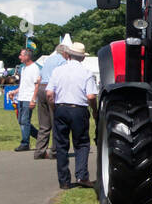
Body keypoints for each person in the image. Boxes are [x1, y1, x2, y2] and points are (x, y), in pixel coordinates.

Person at [46, 42, 98, 190]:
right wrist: (94, 110)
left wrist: (54, 108)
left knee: (61, 145)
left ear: (68, 55)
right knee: (81, 143)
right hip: (78, 109)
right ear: (82, 58)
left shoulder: (57, 71)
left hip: (61, 107)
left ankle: (64, 181)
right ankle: (82, 175)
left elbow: (49, 93)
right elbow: (91, 96)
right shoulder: (87, 73)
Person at [35, 44, 67, 161]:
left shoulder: (48, 60)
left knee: (43, 124)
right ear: (64, 53)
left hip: (41, 88)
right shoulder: (63, 61)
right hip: (51, 90)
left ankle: (39, 151)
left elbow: (40, 75)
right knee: (56, 122)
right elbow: (62, 78)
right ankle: (55, 151)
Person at [6, 49, 41, 151]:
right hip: (21, 97)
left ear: (27, 57)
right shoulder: (24, 68)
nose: (19, 57)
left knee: (25, 121)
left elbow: (37, 85)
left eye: (21, 55)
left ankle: (25, 143)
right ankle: (40, 137)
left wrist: (33, 99)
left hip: (28, 98)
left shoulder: (34, 68)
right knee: (22, 121)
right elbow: (23, 85)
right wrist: (15, 92)